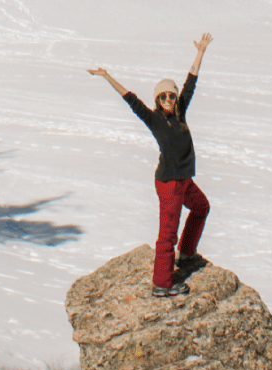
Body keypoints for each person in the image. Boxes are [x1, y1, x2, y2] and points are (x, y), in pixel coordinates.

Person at [89, 33, 214, 297]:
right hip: (169, 183)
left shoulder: (180, 110)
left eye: (171, 96)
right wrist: (107, 76)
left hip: (184, 180)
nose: (168, 100)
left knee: (201, 207)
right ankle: (162, 283)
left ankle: (187, 253)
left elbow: (190, 82)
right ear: (157, 101)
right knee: (167, 234)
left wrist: (200, 53)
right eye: (162, 97)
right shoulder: (155, 119)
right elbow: (131, 99)